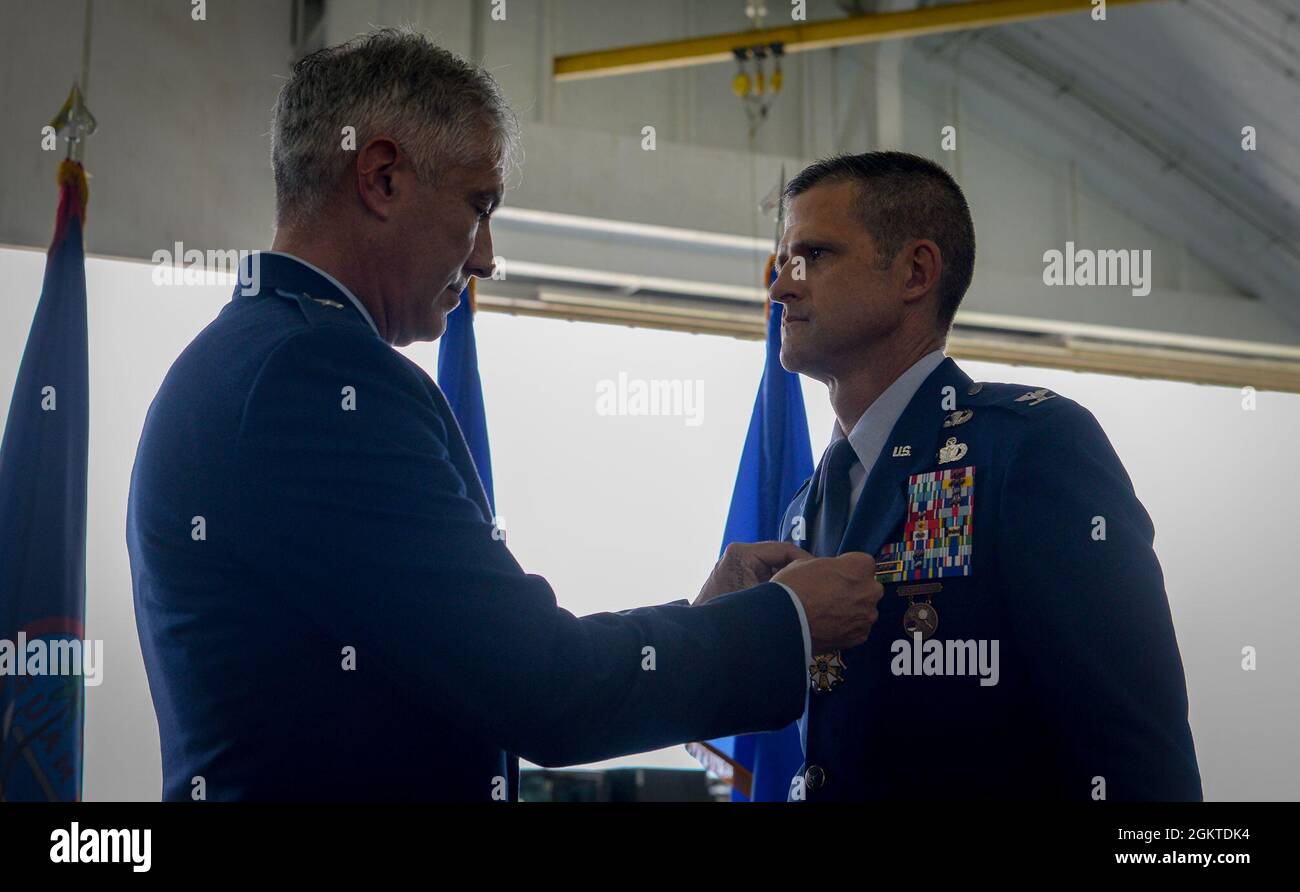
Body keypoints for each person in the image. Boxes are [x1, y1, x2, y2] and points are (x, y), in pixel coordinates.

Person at [125, 29, 883, 802]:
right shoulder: (315, 377)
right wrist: (783, 623)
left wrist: (711, 616)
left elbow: (469, 660)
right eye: (477, 206)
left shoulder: (242, 359)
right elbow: (545, 691)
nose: (485, 256)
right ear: (382, 177)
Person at [769, 151, 1202, 801]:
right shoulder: (807, 504)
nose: (780, 288)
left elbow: (1135, 756)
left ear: (915, 271)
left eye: (815, 257)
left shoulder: (1029, 447)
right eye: (782, 265)